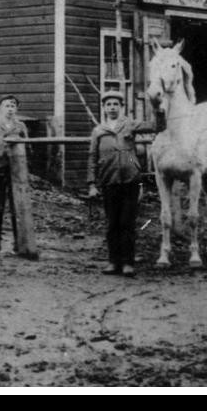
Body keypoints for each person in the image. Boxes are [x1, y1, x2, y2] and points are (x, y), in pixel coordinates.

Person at [87, 90, 143, 276]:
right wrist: (92, 184)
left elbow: (154, 126)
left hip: (130, 180)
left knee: (127, 222)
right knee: (112, 224)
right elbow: (92, 157)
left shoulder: (130, 125)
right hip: (109, 181)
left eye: (115, 104)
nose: (112, 107)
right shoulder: (98, 131)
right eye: (108, 104)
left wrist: (159, 106)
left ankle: (128, 263)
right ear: (103, 108)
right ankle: (113, 261)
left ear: (121, 107)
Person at [0, 95, 28, 253]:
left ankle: (18, 243)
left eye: (12, 106)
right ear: (0, 108)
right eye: (6, 106)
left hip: (16, 173)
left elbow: (27, 147)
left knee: (16, 207)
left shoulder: (21, 126)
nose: (10, 109)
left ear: (16, 109)